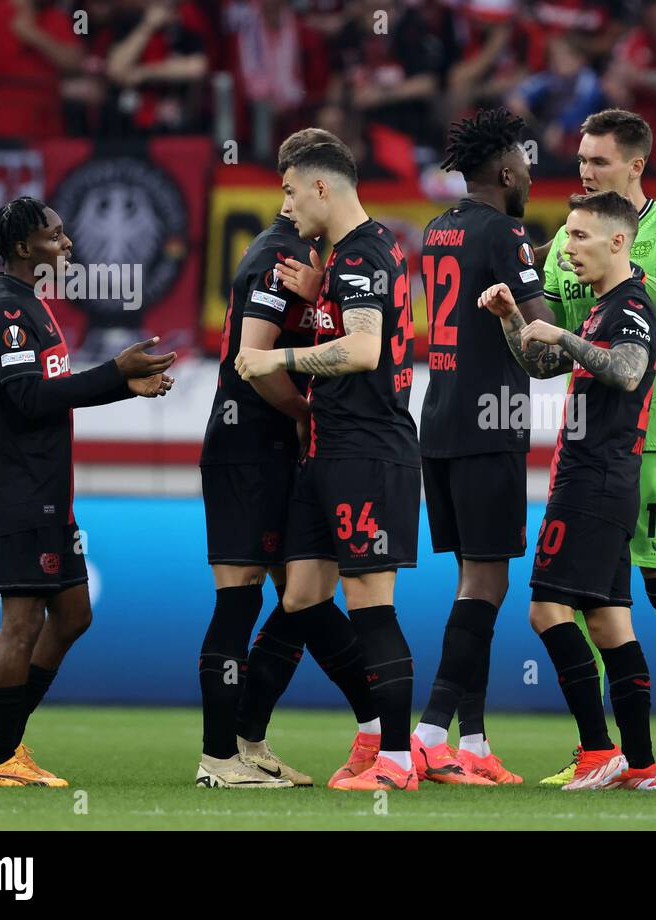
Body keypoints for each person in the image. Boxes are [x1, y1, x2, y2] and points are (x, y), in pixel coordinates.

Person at [235, 130, 421, 792]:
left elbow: (367, 350)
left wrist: (276, 358)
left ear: (321, 186)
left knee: (372, 606)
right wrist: (321, 295)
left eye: (289, 190)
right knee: (304, 596)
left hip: (369, 452)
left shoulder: (364, 252)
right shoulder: (349, 257)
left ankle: (397, 760)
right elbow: (361, 323)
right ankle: (374, 730)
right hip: (330, 451)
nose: (284, 206)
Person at [196, 128, 381, 789]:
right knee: (240, 599)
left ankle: (251, 741)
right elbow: (253, 360)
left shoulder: (312, 257)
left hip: (276, 451)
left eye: (288, 186)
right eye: (281, 189)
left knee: (301, 599)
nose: (284, 200)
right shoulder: (278, 254)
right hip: (248, 447)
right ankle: (220, 758)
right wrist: (307, 414)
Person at [539, 109, 656, 786]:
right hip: (590, 440)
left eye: (599, 161)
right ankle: (606, 752)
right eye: (581, 159)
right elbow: (553, 327)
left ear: (635, 165)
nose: (585, 171)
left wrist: (623, 267)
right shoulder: (567, 236)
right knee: (594, 600)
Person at [0, 197, 174, 786]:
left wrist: (124, 385)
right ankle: (0, 760)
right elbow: (28, 398)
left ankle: (1, 740)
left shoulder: (30, 305)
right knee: (21, 622)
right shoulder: (7, 310)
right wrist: (114, 372)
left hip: (49, 491)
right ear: (20, 248)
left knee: (72, 613)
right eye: (54, 236)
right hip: (19, 489)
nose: (66, 244)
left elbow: (50, 391)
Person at [481, 191, 656, 790]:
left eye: (579, 236)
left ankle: (595, 751)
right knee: (610, 625)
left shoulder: (630, 306)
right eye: (566, 234)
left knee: (545, 610)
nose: (566, 246)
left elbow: (628, 370)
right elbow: (539, 367)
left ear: (617, 242)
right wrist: (514, 317)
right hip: (603, 482)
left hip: (594, 482)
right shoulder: (599, 309)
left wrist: (563, 336)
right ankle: (642, 766)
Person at [412, 108, 554, 785]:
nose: (531, 173)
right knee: (490, 582)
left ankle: (474, 744)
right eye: (525, 164)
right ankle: (428, 734)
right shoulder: (507, 233)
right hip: (487, 426)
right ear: (504, 170)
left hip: (437, 420)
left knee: (474, 583)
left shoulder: (440, 229)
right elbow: (542, 333)